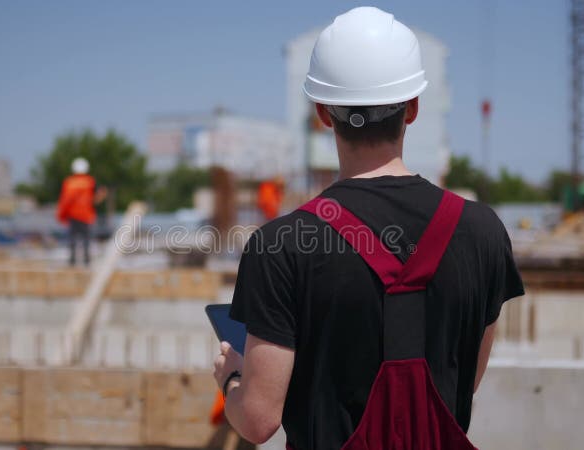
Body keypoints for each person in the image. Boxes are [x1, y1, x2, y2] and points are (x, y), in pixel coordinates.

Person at [212, 7, 524, 448]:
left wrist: (232, 379)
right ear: (412, 108)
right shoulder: (483, 232)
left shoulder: (278, 246)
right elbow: (462, 382)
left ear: (323, 113)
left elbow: (258, 420)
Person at [56, 158, 106, 266]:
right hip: (86, 215)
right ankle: (87, 261)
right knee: (86, 239)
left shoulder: (69, 182)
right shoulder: (90, 181)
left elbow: (65, 200)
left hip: (73, 215)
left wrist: (61, 215)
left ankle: (72, 261)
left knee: (72, 239)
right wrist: (98, 198)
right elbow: (99, 195)